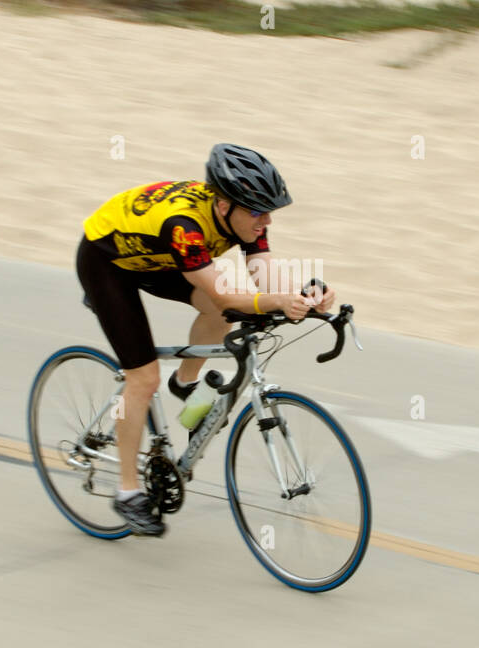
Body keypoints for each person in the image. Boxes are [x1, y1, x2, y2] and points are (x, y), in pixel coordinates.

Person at [77, 143, 336, 536]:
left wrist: (303, 298)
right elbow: (223, 295)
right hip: (107, 264)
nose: (265, 220)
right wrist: (276, 302)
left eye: (269, 210)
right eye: (256, 211)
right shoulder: (184, 226)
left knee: (226, 313)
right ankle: (127, 493)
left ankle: (186, 383)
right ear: (223, 206)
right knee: (143, 379)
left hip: (159, 259)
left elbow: (262, 274)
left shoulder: (243, 215)